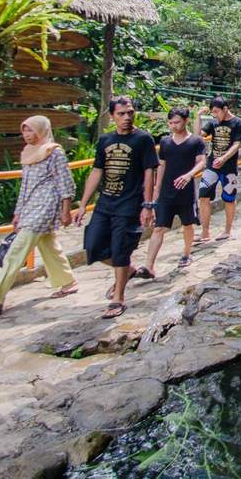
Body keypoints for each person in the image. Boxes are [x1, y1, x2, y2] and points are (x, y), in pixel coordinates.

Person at [0, 116, 79, 323]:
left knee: (15, 254)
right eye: (24, 130)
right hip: (30, 208)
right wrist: (18, 212)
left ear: (42, 130)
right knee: (48, 244)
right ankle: (68, 281)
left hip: (45, 207)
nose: (27, 135)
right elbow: (25, 187)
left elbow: (66, 183)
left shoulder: (54, 152)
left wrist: (66, 211)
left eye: (31, 130)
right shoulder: (28, 152)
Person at [72, 97, 158, 319]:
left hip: (130, 203)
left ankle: (118, 298)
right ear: (112, 116)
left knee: (121, 250)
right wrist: (83, 204)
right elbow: (97, 171)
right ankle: (129, 270)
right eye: (121, 114)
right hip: (105, 202)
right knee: (93, 246)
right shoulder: (105, 140)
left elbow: (149, 172)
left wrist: (148, 204)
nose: (127, 117)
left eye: (130, 113)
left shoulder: (143, 139)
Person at [140, 107, 206, 275]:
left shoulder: (196, 141)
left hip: (186, 191)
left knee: (188, 224)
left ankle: (187, 253)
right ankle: (148, 265)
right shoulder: (165, 142)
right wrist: (157, 189)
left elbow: (201, 162)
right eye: (170, 123)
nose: (174, 126)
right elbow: (162, 165)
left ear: (186, 121)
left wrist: (189, 175)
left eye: (177, 122)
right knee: (159, 227)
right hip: (166, 192)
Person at [198, 97, 241, 242]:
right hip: (212, 165)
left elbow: (237, 144)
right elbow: (198, 136)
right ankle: (205, 232)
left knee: (229, 198)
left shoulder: (238, 123)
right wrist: (198, 117)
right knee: (203, 196)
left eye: (216, 112)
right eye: (213, 112)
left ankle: (227, 230)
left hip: (229, 167)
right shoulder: (213, 123)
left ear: (225, 109)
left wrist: (224, 158)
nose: (215, 115)